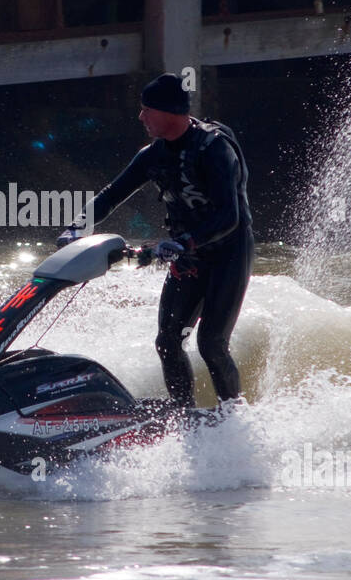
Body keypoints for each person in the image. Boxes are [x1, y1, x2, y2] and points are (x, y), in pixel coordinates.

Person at [57, 73, 254, 409]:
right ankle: (184, 414)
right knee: (167, 342)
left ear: (169, 112)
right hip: (189, 255)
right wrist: (75, 229)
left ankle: (232, 416)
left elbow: (228, 217)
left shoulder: (215, 149)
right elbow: (111, 195)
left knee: (211, 344)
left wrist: (185, 242)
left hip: (228, 252)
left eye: (146, 109)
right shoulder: (153, 155)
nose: (140, 116)